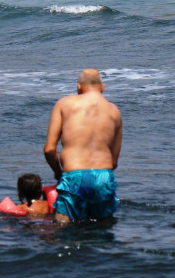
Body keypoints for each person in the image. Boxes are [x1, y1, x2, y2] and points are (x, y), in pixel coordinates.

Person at [44, 69, 122, 223]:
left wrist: (58, 173)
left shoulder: (64, 104)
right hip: (104, 176)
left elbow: (49, 149)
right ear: (102, 87)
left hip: (74, 175)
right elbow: (114, 162)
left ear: (79, 87)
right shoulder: (114, 111)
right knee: (102, 230)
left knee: (62, 229)